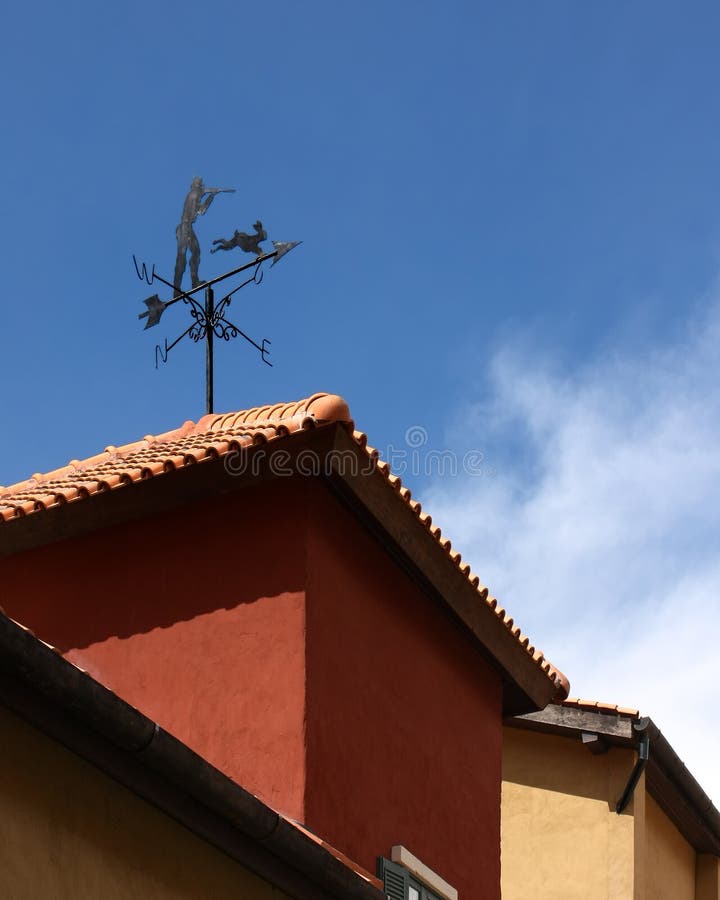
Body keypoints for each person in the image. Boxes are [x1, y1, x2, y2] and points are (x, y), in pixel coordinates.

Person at [173, 178, 231, 297]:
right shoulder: (195, 193)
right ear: (198, 186)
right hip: (185, 228)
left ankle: (192, 283)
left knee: (195, 253)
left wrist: (211, 193)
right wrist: (212, 195)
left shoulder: (192, 194)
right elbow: (202, 210)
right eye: (200, 186)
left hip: (186, 228)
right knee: (182, 258)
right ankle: (177, 289)